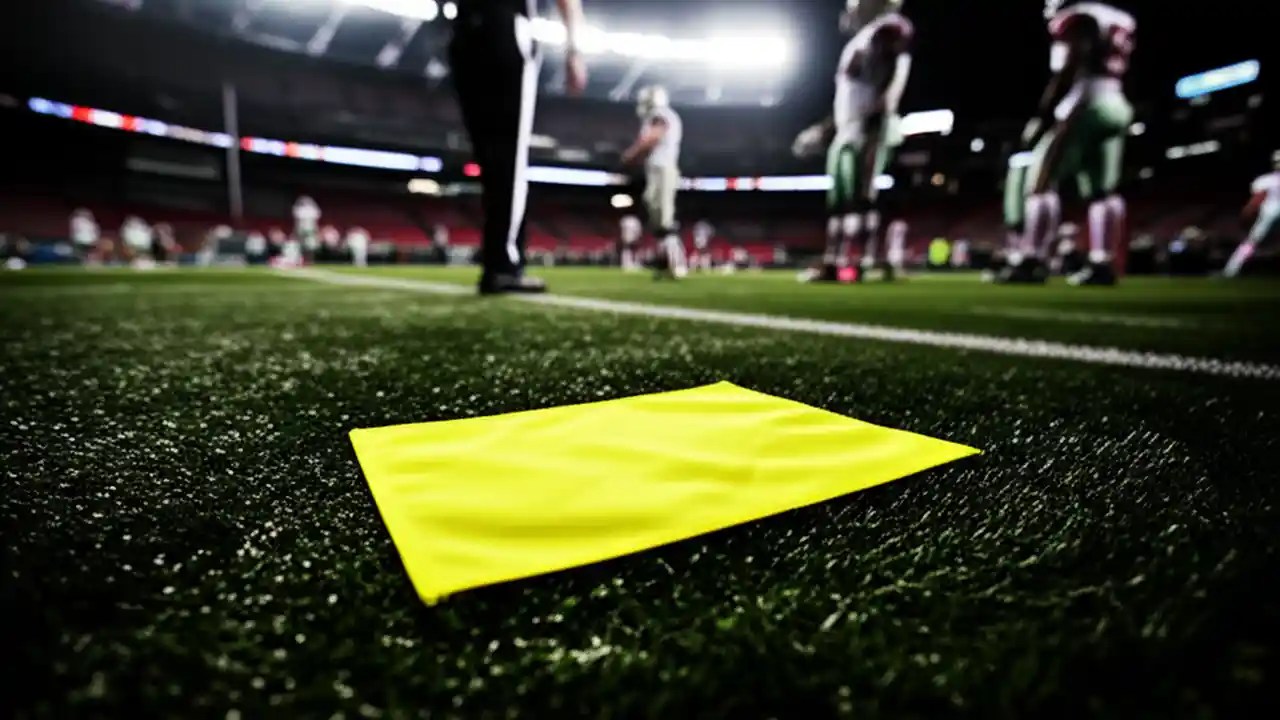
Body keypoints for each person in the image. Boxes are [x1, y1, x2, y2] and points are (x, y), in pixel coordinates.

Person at [450, 0, 588, 294]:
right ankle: (501, 263)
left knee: (498, 156)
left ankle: (500, 260)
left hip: (483, 26)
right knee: (501, 157)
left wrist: (574, 49)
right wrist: (573, 51)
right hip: (481, 28)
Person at [1003, 1, 1135, 286]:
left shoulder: (1077, 18)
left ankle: (1032, 260)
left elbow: (1068, 66)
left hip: (1085, 101)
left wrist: (1043, 114)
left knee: (1040, 182)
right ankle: (1102, 262)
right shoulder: (1119, 16)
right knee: (1103, 191)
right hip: (1118, 101)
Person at [793, 0, 913, 283]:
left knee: (862, 195)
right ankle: (836, 259)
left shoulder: (888, 28)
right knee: (840, 199)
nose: (852, 9)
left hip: (867, 122)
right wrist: (824, 129)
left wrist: (882, 109)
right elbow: (848, 97)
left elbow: (896, 69)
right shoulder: (859, 40)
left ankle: (859, 260)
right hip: (848, 125)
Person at [623, 85, 686, 279]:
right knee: (656, 214)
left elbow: (653, 136)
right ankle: (666, 262)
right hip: (659, 167)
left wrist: (631, 154)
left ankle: (676, 264)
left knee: (663, 216)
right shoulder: (666, 114)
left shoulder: (660, 114)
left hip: (663, 167)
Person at [1223, 151, 1280, 277]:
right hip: (1271, 212)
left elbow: (1255, 201)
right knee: (1252, 242)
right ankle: (1231, 270)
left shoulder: (1266, 180)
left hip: (1271, 212)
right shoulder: (1266, 180)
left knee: (1251, 242)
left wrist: (1247, 212)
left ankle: (1231, 271)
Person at [292, 196, 321, 263]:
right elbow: (297, 222)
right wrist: (295, 232)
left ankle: (310, 261)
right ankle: (300, 260)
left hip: (311, 231)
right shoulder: (299, 210)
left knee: (310, 247)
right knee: (300, 246)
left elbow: (315, 223)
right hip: (301, 231)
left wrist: (316, 232)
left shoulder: (313, 210)